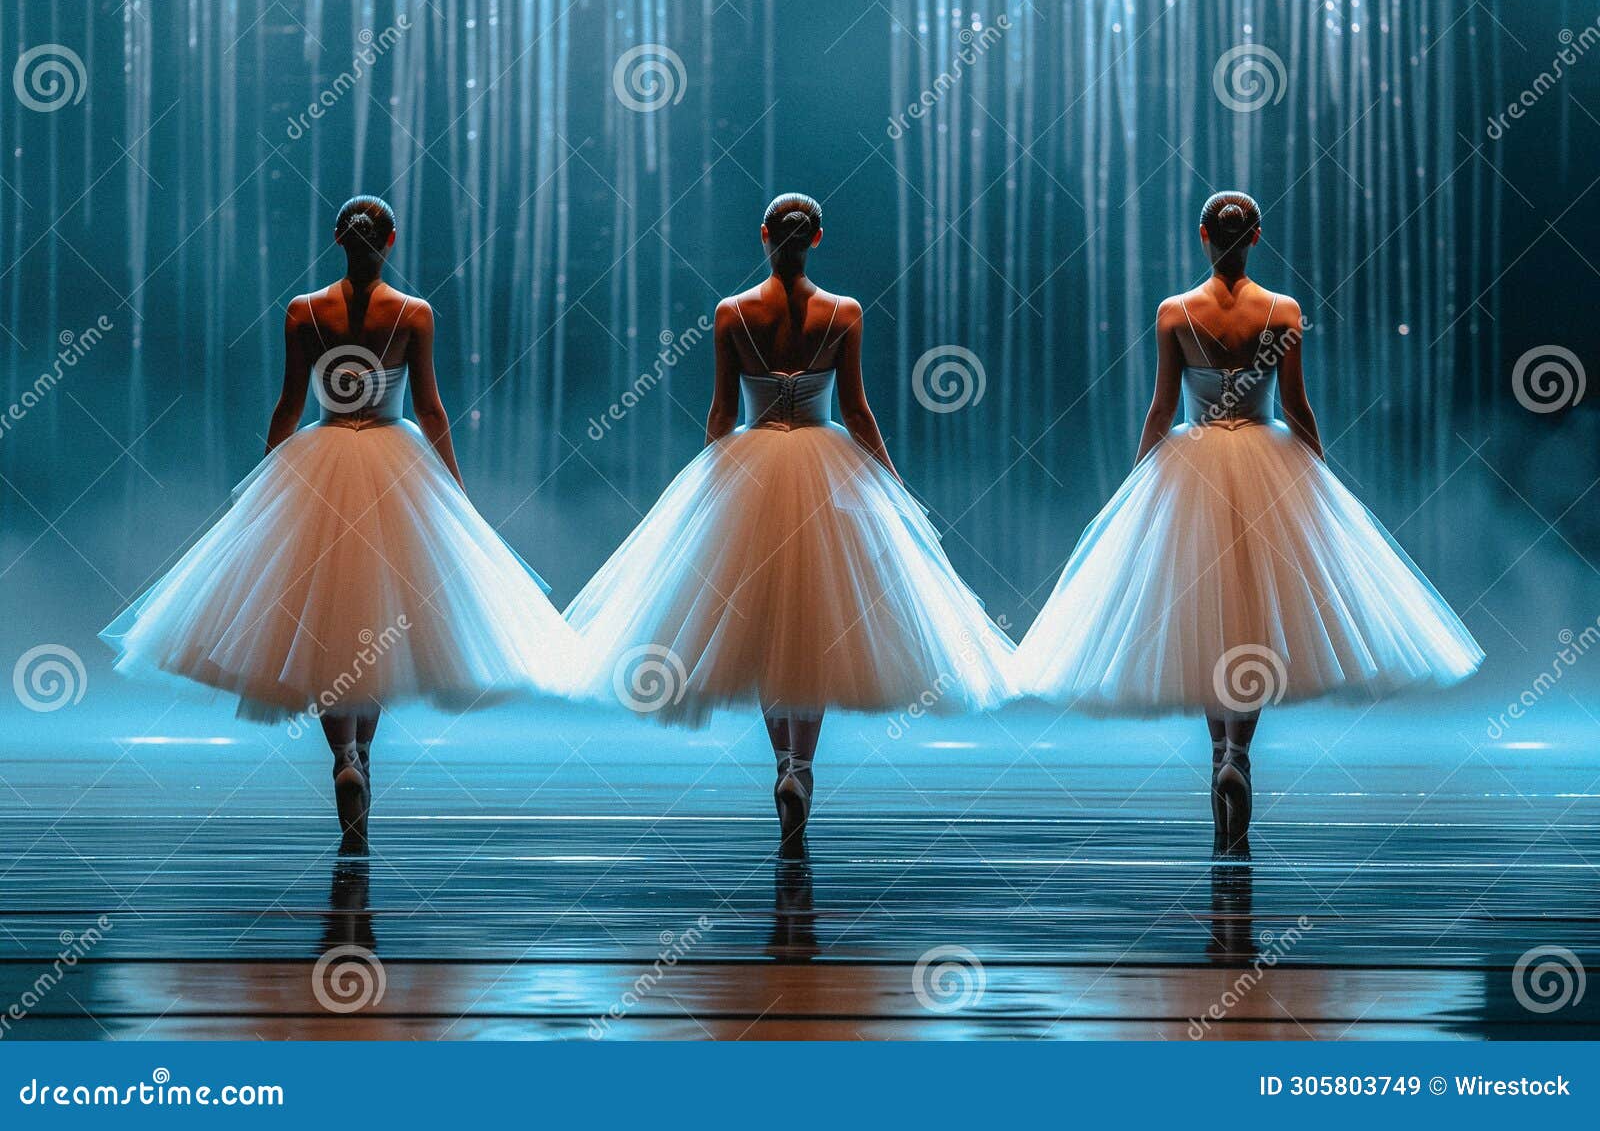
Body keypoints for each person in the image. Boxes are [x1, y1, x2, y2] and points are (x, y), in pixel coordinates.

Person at [101, 195, 576, 854]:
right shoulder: (413, 313)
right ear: (391, 239)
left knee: (325, 621)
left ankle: (343, 754)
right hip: (392, 461)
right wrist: (453, 491)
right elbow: (432, 408)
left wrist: (266, 486)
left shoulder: (304, 311)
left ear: (337, 238)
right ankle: (364, 757)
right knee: (373, 620)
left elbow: (290, 403)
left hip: (320, 459)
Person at [1014, 191, 1483, 854]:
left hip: (1195, 459)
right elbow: (1296, 405)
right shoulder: (1283, 311)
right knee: (1253, 617)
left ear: (1203, 235)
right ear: (1256, 237)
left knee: (1211, 614)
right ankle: (1240, 751)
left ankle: (1217, 759)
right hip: (1267, 457)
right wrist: (1319, 480)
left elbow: (1162, 405)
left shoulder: (1175, 312)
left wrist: (1140, 483)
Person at [565, 193, 1014, 855]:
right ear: (818, 238)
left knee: (767, 626)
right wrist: (889, 482)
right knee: (816, 625)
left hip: (752, 466)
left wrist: (712, 485)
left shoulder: (732, 314)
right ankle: (803, 768)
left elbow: (721, 413)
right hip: (822, 463)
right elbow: (856, 411)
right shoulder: (844, 313)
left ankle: (781, 766)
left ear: (765, 234)